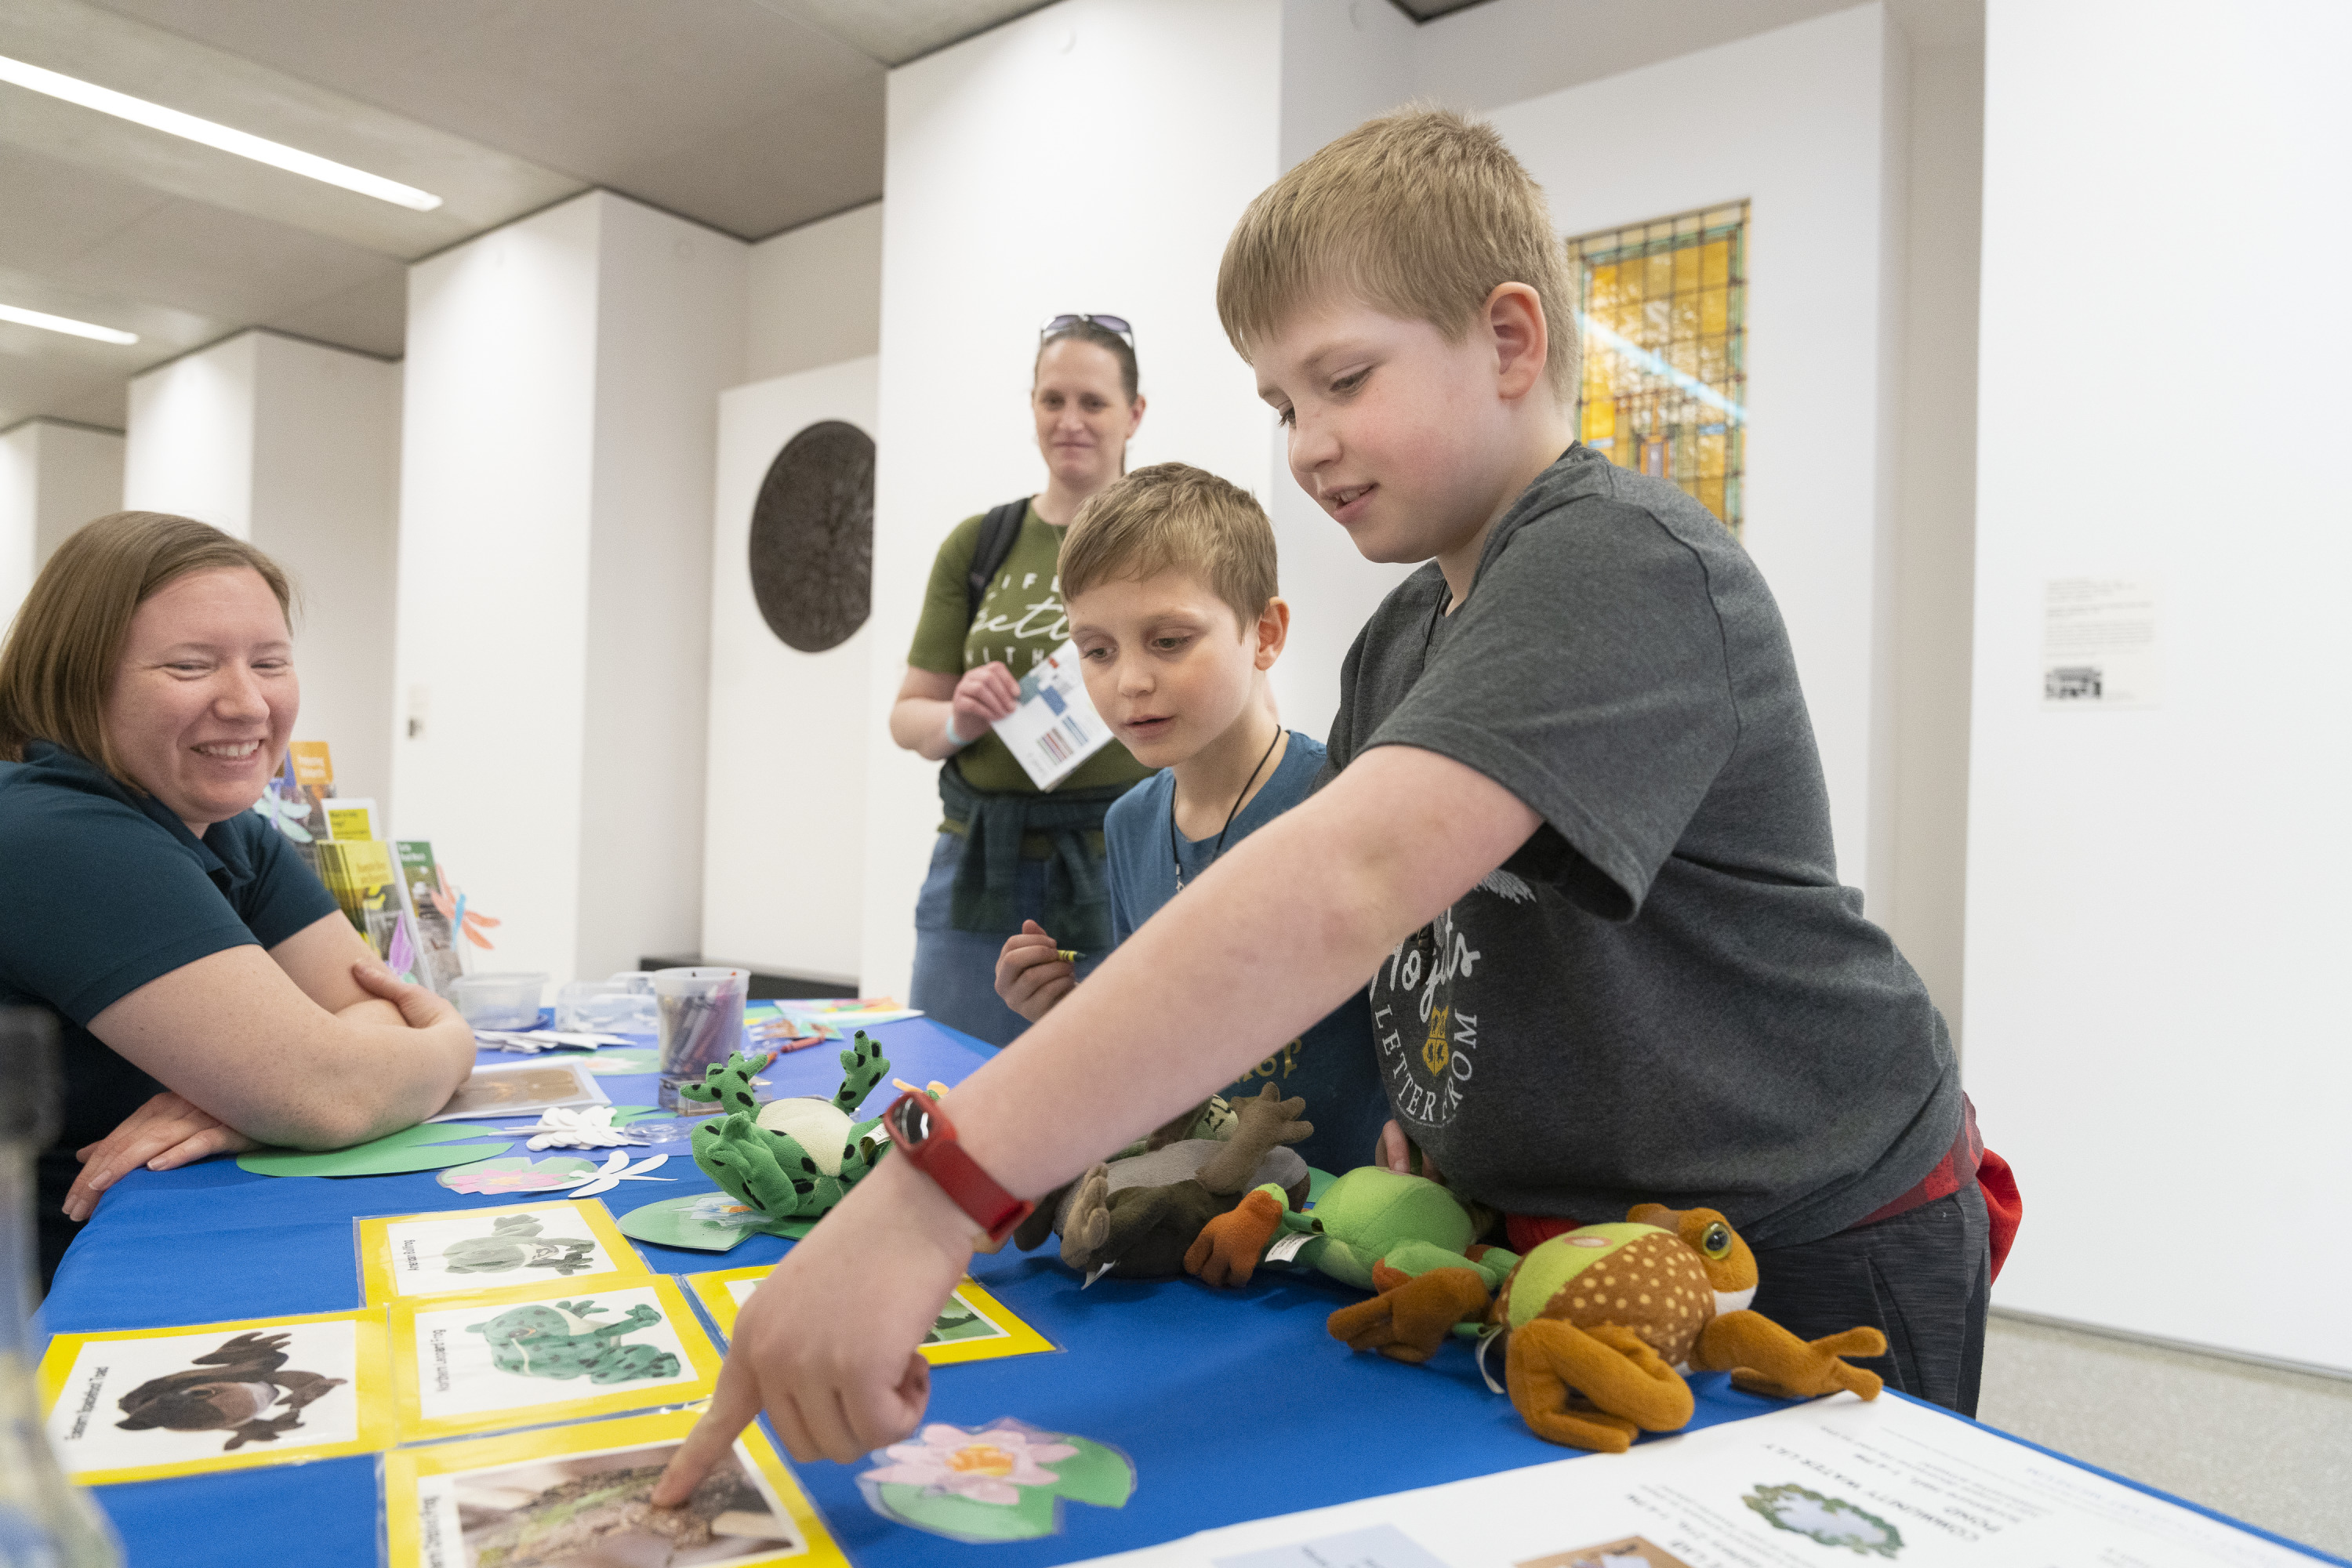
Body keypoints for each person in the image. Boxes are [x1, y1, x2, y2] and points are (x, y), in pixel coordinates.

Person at [655, 107, 1987, 1493]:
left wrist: (931, 1199)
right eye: (1284, 405)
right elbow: (1408, 935)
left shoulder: (1622, 560)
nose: (1306, 443)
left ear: (1511, 341)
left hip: (1794, 1221)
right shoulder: (1402, 636)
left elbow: (1342, 887)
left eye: (1344, 380)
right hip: (1543, 1236)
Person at [0, 512, 477, 1292]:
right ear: (76, 680)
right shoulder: (56, 832)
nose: (248, 703)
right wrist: (451, 1040)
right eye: (191, 666)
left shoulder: (230, 831)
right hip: (46, 1308)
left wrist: (253, 1098)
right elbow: (334, 1088)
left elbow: (370, 1016)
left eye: (271, 662)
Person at [992, 463, 1388, 1174]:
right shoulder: (1129, 825)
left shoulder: (1339, 799)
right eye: (1097, 650)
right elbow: (1152, 1048)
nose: (1130, 681)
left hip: (1343, 1206)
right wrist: (1065, 1013)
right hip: (1201, 1201)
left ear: (1264, 635)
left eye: (1169, 641)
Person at [887, 315, 1157, 1046]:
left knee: (1110, 1097)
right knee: (946, 1085)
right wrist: (959, 720)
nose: (1070, 422)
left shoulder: (1166, 543)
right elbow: (908, 715)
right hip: (977, 867)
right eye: (1052, 400)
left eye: (1094, 403)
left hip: (1119, 863)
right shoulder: (980, 545)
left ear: (1134, 414)